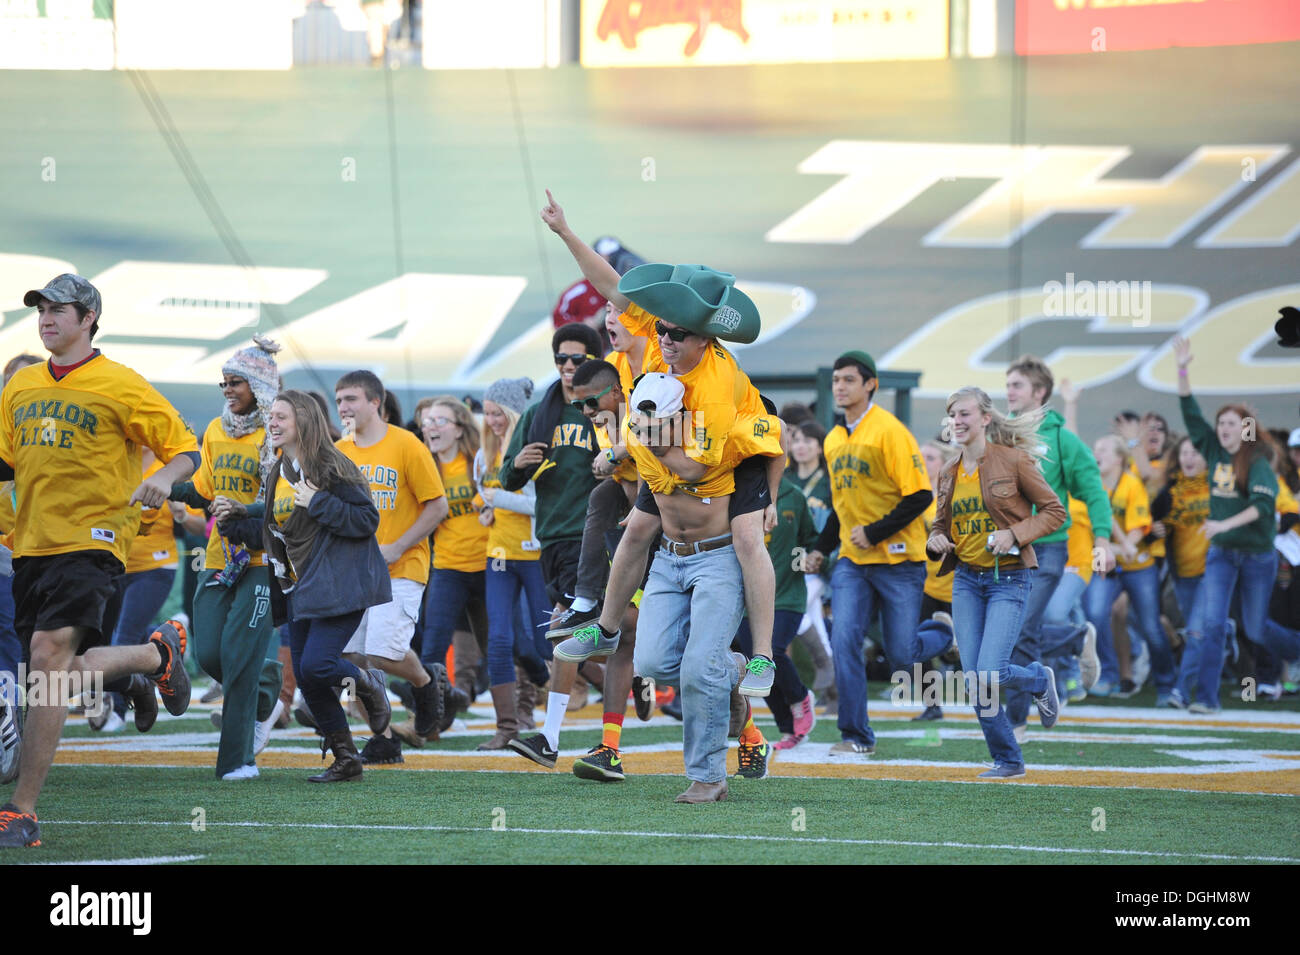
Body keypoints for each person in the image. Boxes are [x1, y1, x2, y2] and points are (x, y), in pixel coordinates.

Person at [537, 191, 784, 702]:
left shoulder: (717, 386)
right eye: (662, 327)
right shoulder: (657, 331)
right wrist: (564, 231)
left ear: (702, 337)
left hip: (736, 453)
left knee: (746, 539)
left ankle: (762, 655)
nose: (664, 337)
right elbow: (609, 280)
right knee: (633, 533)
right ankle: (604, 627)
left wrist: (638, 443)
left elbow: (697, 468)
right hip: (672, 451)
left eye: (675, 331)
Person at [0, 274, 199, 848]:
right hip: (32, 545)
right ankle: (154, 655)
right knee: (49, 678)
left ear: (89, 318)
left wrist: (163, 476)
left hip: (95, 539)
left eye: (58, 309)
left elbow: (184, 446)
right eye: (40, 310)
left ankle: (23, 810)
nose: (45, 318)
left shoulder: (121, 383)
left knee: (45, 660)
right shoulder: (20, 385)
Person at [221, 390, 392, 782]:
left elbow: (366, 520)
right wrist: (232, 522)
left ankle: (367, 682)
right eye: (272, 417)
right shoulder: (278, 470)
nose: (273, 423)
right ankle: (347, 759)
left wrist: (318, 502)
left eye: (282, 417)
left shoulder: (331, 465)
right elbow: (275, 533)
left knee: (317, 665)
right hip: (298, 587)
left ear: (304, 420)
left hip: (340, 584)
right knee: (308, 675)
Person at [625, 373, 770, 801]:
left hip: (720, 556)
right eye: (642, 426)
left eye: (658, 426)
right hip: (669, 557)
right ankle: (732, 671)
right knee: (650, 661)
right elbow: (643, 511)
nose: (648, 435)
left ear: (682, 418)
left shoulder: (725, 440)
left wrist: (773, 499)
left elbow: (772, 439)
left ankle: (708, 777)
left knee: (697, 667)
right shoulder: (640, 437)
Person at [926, 387, 1066, 779]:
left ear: (986, 418)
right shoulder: (949, 471)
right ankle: (1008, 759)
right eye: (952, 414)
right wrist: (935, 540)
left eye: (965, 413)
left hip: (1009, 578)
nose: (957, 421)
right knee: (976, 681)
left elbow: (1055, 512)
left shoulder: (1014, 460)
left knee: (989, 672)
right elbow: (941, 527)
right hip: (967, 580)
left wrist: (1015, 534)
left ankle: (1039, 678)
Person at [803, 351, 938, 756]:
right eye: (836, 381)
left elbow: (920, 495)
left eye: (848, 380)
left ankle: (944, 633)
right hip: (852, 563)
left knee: (902, 654)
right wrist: (820, 549)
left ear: (870, 384)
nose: (840, 387)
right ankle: (856, 735)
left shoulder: (890, 431)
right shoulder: (833, 438)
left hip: (899, 560)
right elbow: (842, 510)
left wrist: (875, 532)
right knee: (844, 641)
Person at [168, 337, 287, 780]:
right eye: (224, 383)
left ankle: (238, 761)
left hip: (261, 559)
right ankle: (268, 679)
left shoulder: (276, 433)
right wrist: (161, 487)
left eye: (235, 382)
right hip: (219, 557)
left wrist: (245, 511)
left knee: (236, 658)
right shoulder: (217, 430)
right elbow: (203, 487)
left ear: (258, 385)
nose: (228, 390)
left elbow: (285, 500)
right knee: (209, 653)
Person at [498, 324, 606, 768]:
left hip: (596, 534)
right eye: (561, 359)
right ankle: (632, 678)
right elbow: (507, 477)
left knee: (563, 631)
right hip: (553, 535)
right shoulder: (539, 413)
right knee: (591, 633)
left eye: (577, 359)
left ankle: (550, 737)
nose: (567, 367)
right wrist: (518, 465)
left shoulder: (605, 408)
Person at [334, 370, 448, 764]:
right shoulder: (340, 450)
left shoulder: (407, 444)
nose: (343, 408)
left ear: (375, 402)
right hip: (354, 572)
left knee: (380, 654)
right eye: (339, 401)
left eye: (350, 399)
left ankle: (425, 679)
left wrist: (398, 546)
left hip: (402, 567)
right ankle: (383, 738)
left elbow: (438, 506)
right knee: (349, 659)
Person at [1001, 355, 1114, 734]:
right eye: (1008, 384)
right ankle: (1074, 639)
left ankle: (1016, 721)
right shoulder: (999, 435)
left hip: (1048, 548)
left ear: (1040, 392)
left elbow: (1094, 492)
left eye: (1017, 385)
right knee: (1016, 630)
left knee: (1017, 630)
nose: (1009, 391)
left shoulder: (1063, 440)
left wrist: (1102, 540)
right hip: (1005, 550)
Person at [1172, 335, 1279, 714]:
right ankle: (1207, 699)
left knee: (1254, 629)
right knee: (1212, 624)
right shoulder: (1214, 450)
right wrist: (1182, 369)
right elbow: (1189, 412)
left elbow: (1263, 508)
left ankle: (1283, 660)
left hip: (1256, 556)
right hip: (1221, 555)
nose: (1223, 428)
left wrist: (1221, 524)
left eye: (1231, 423)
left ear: (1245, 428)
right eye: (1221, 423)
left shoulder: (1258, 460)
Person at [473, 377, 553, 750]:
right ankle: (506, 726)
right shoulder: (484, 450)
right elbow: (485, 493)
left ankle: (601, 680)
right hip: (499, 556)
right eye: (487, 413)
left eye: (497, 413)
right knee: (500, 638)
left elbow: (540, 505)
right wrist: (489, 507)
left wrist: (499, 499)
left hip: (534, 554)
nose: (491, 420)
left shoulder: (532, 447)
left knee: (543, 640)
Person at [1082, 435, 1177, 703]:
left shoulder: (1132, 484)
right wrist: (1116, 549)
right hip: (1107, 561)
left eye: (1102, 449)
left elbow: (1139, 528)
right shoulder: (1090, 482)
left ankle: (1167, 686)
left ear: (1119, 458)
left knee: (1150, 625)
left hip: (1139, 565)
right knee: (1095, 614)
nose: (1095, 452)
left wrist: (1122, 548)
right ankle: (1108, 674)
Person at [417, 397, 491, 693]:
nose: (431, 428)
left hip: (490, 565)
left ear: (460, 429)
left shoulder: (479, 459)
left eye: (439, 421)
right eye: (427, 422)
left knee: (498, 646)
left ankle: (516, 713)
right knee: (433, 647)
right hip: (448, 566)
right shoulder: (424, 464)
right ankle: (428, 717)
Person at [1152, 436, 1210, 707]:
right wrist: (1154, 531)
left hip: (1213, 572)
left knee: (1196, 633)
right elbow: (1149, 524)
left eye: (1195, 452)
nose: (1189, 458)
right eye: (1185, 453)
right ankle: (1225, 633)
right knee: (1194, 631)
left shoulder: (1220, 488)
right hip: (1183, 574)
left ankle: (1181, 692)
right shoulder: (1171, 491)